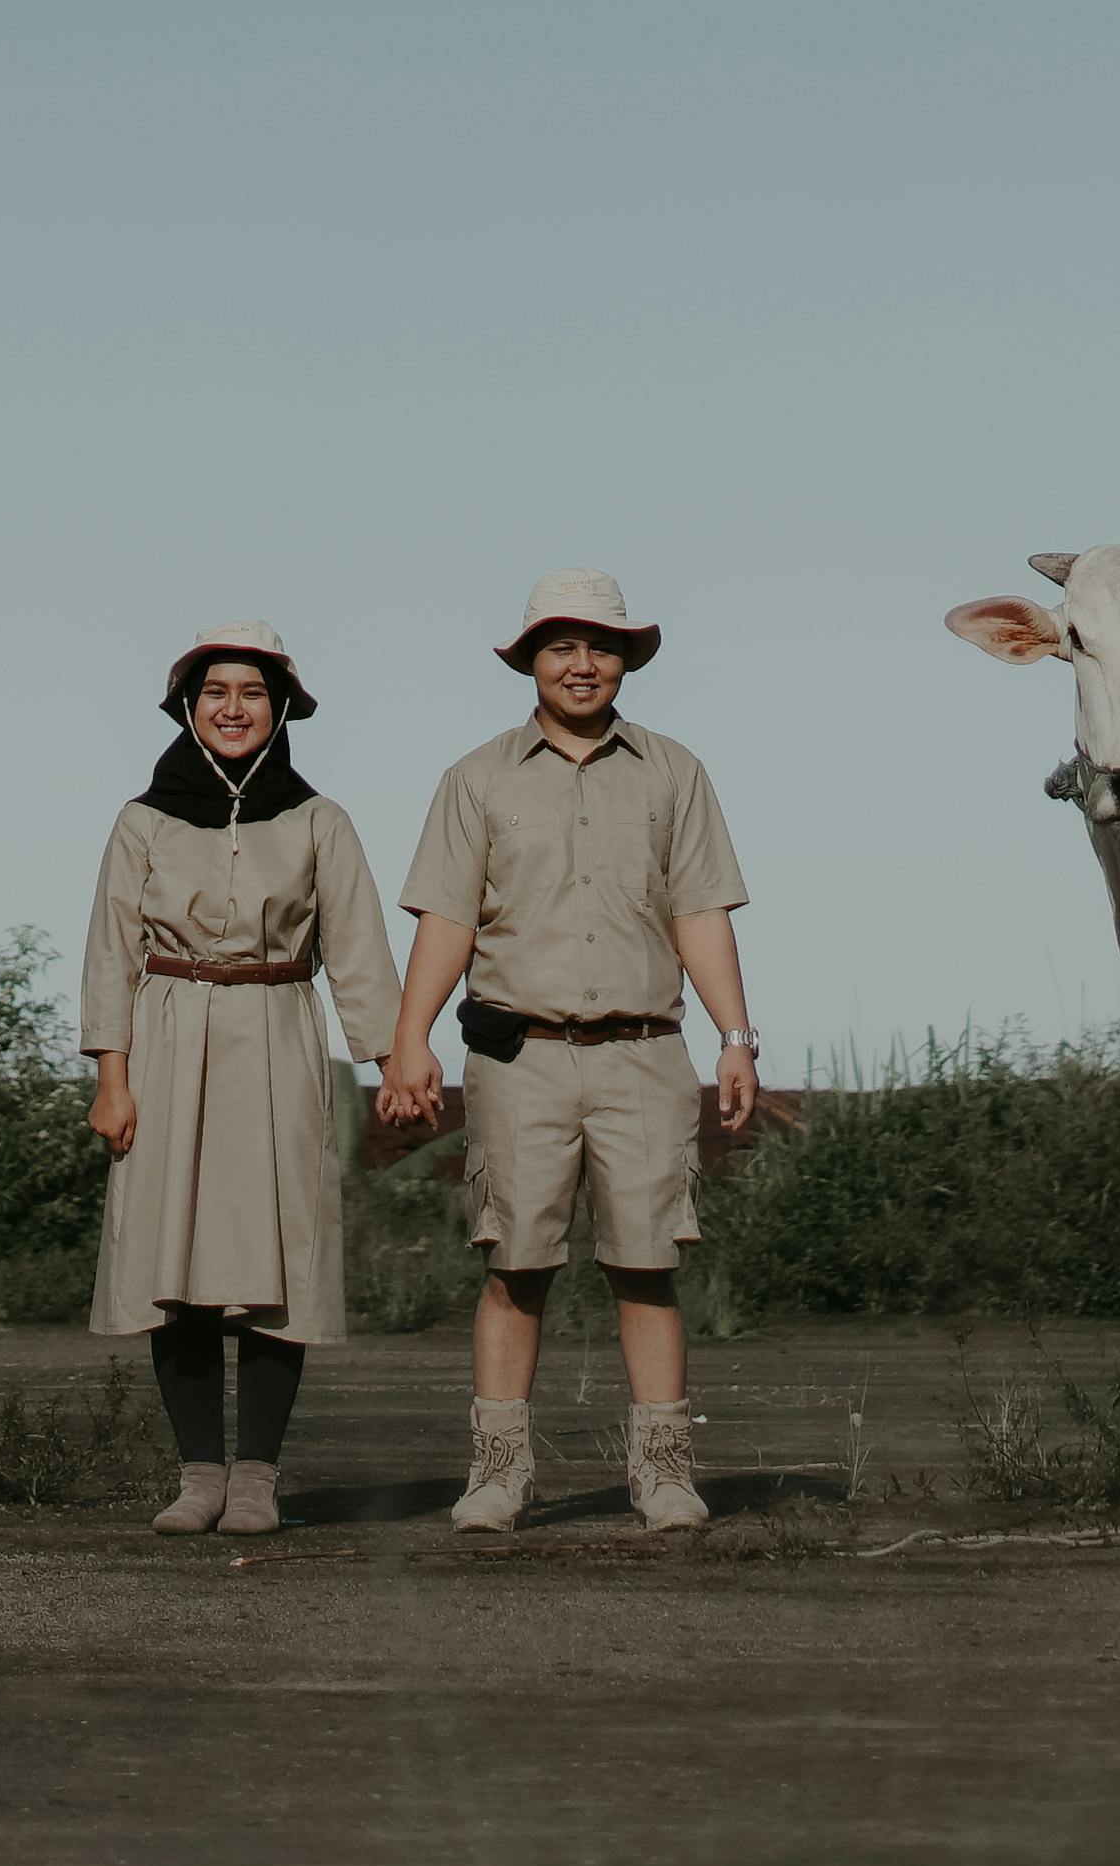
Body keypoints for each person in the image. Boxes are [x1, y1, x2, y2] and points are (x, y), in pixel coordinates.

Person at [377, 568, 759, 1533]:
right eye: (561, 646)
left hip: (645, 1052)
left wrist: (736, 1038)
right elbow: (447, 919)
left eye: (600, 646)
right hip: (521, 1060)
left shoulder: (674, 771)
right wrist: (409, 1039)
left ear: (626, 659)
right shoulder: (477, 777)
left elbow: (700, 911)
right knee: (515, 1265)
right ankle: (498, 1475)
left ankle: (663, 1474)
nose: (581, 664)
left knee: (647, 1264)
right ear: (530, 661)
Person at [82, 627, 401, 1539]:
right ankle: (199, 1475)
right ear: (190, 708)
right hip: (167, 1037)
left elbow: (358, 949)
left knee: (277, 1258)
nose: (232, 707)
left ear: (281, 706)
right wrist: (112, 1077)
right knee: (172, 1257)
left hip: (276, 1035)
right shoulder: (143, 820)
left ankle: (257, 1477)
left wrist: (394, 1066)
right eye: (215, 691)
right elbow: (111, 951)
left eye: (251, 692)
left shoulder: (318, 820)